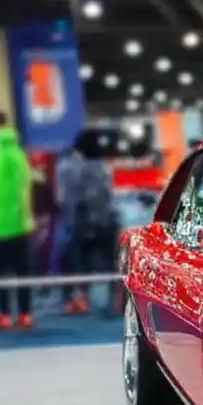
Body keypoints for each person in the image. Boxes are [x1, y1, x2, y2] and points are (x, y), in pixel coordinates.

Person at [0, 108, 34, 330]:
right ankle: (24, 314)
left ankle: (3, 314)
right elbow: (25, 183)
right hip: (19, 222)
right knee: (22, 272)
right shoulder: (17, 151)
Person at [56, 132, 118, 314]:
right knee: (109, 264)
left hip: (79, 222)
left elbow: (64, 198)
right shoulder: (103, 167)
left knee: (77, 263)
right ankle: (114, 300)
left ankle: (79, 299)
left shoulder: (67, 167)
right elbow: (107, 197)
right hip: (104, 222)